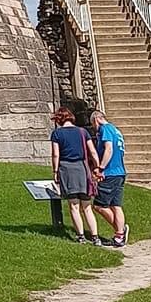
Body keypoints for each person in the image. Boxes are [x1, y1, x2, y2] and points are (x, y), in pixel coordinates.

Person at [50, 103, 102, 245]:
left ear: (59, 120)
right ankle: (95, 237)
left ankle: (81, 236)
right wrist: (97, 167)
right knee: (87, 206)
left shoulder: (57, 134)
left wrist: (55, 171)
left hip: (67, 169)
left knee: (74, 205)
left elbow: (56, 154)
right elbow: (92, 151)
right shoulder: (82, 132)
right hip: (82, 169)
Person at [89, 106, 129, 246]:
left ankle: (120, 231)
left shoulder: (105, 129)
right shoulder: (115, 130)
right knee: (116, 205)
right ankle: (119, 235)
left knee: (99, 206)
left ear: (96, 119)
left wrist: (101, 168)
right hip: (120, 172)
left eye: (93, 124)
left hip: (110, 173)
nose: (94, 128)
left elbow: (109, 149)